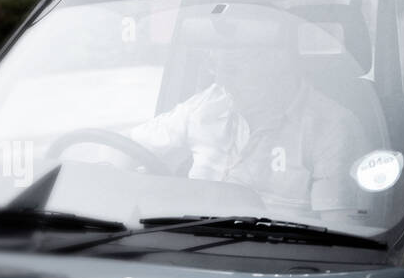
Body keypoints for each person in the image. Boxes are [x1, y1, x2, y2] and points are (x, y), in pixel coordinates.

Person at [128, 35, 383, 228]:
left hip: (281, 264)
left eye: (233, 68)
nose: (220, 81)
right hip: (186, 245)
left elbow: (339, 236)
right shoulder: (209, 104)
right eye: (213, 67)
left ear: (278, 60)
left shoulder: (330, 126)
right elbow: (130, 148)